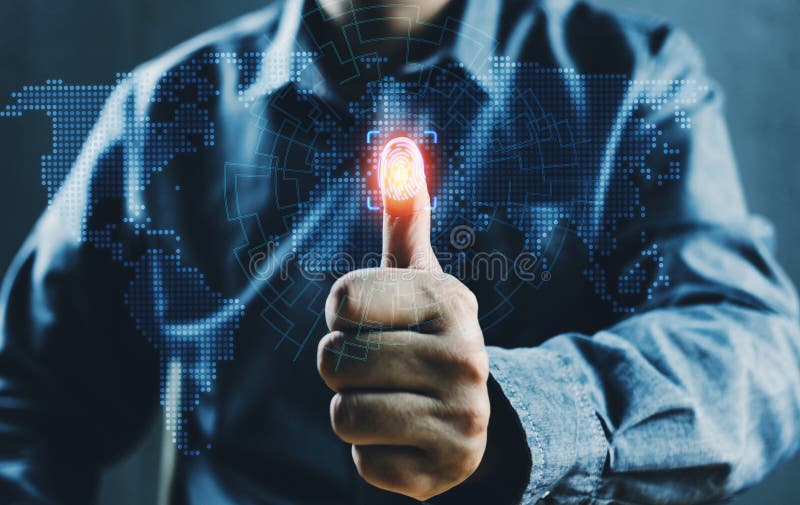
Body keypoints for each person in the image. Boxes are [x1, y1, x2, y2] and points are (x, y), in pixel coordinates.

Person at [1, 0, 799, 504]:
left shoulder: (631, 84)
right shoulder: (159, 115)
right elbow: (22, 401)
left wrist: (521, 413)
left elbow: (759, 352)